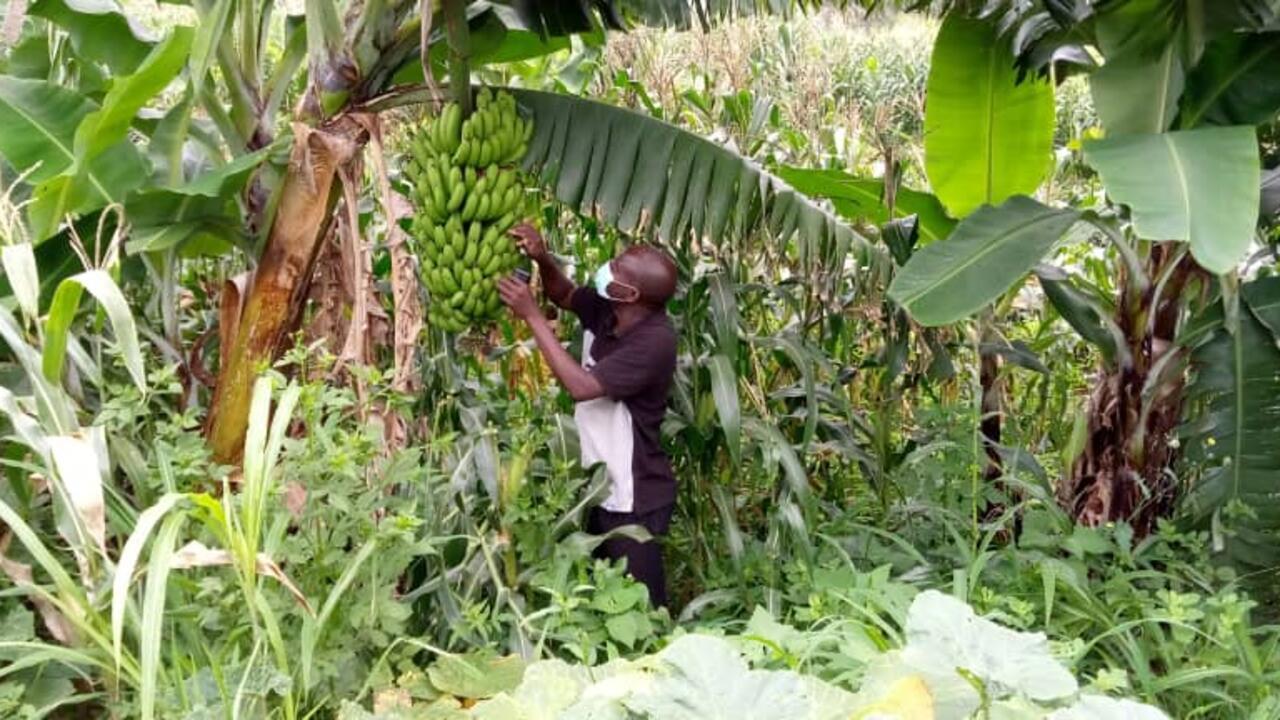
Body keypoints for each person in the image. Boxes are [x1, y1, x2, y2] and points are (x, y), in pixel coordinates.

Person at [496, 223, 679, 608]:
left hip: (632, 499)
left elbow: (581, 386)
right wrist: (542, 258)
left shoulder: (654, 341)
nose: (608, 268)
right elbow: (564, 294)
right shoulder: (614, 309)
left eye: (618, 269)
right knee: (599, 598)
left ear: (631, 294)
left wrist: (532, 316)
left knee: (641, 607)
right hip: (598, 485)